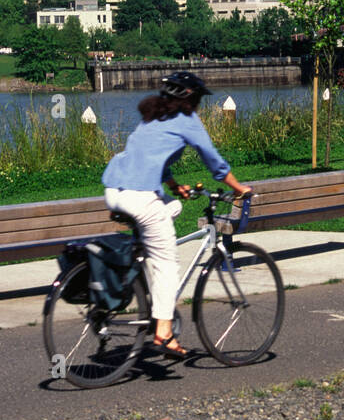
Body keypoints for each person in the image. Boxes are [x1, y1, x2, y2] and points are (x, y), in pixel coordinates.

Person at [101, 71, 251, 358]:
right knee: (169, 263)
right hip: (139, 195)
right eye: (198, 100)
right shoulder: (188, 122)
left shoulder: (153, 116)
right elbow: (213, 161)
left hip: (114, 190)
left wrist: (171, 185)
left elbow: (149, 155)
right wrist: (239, 187)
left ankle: (146, 282)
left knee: (172, 207)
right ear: (191, 99)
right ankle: (163, 333)